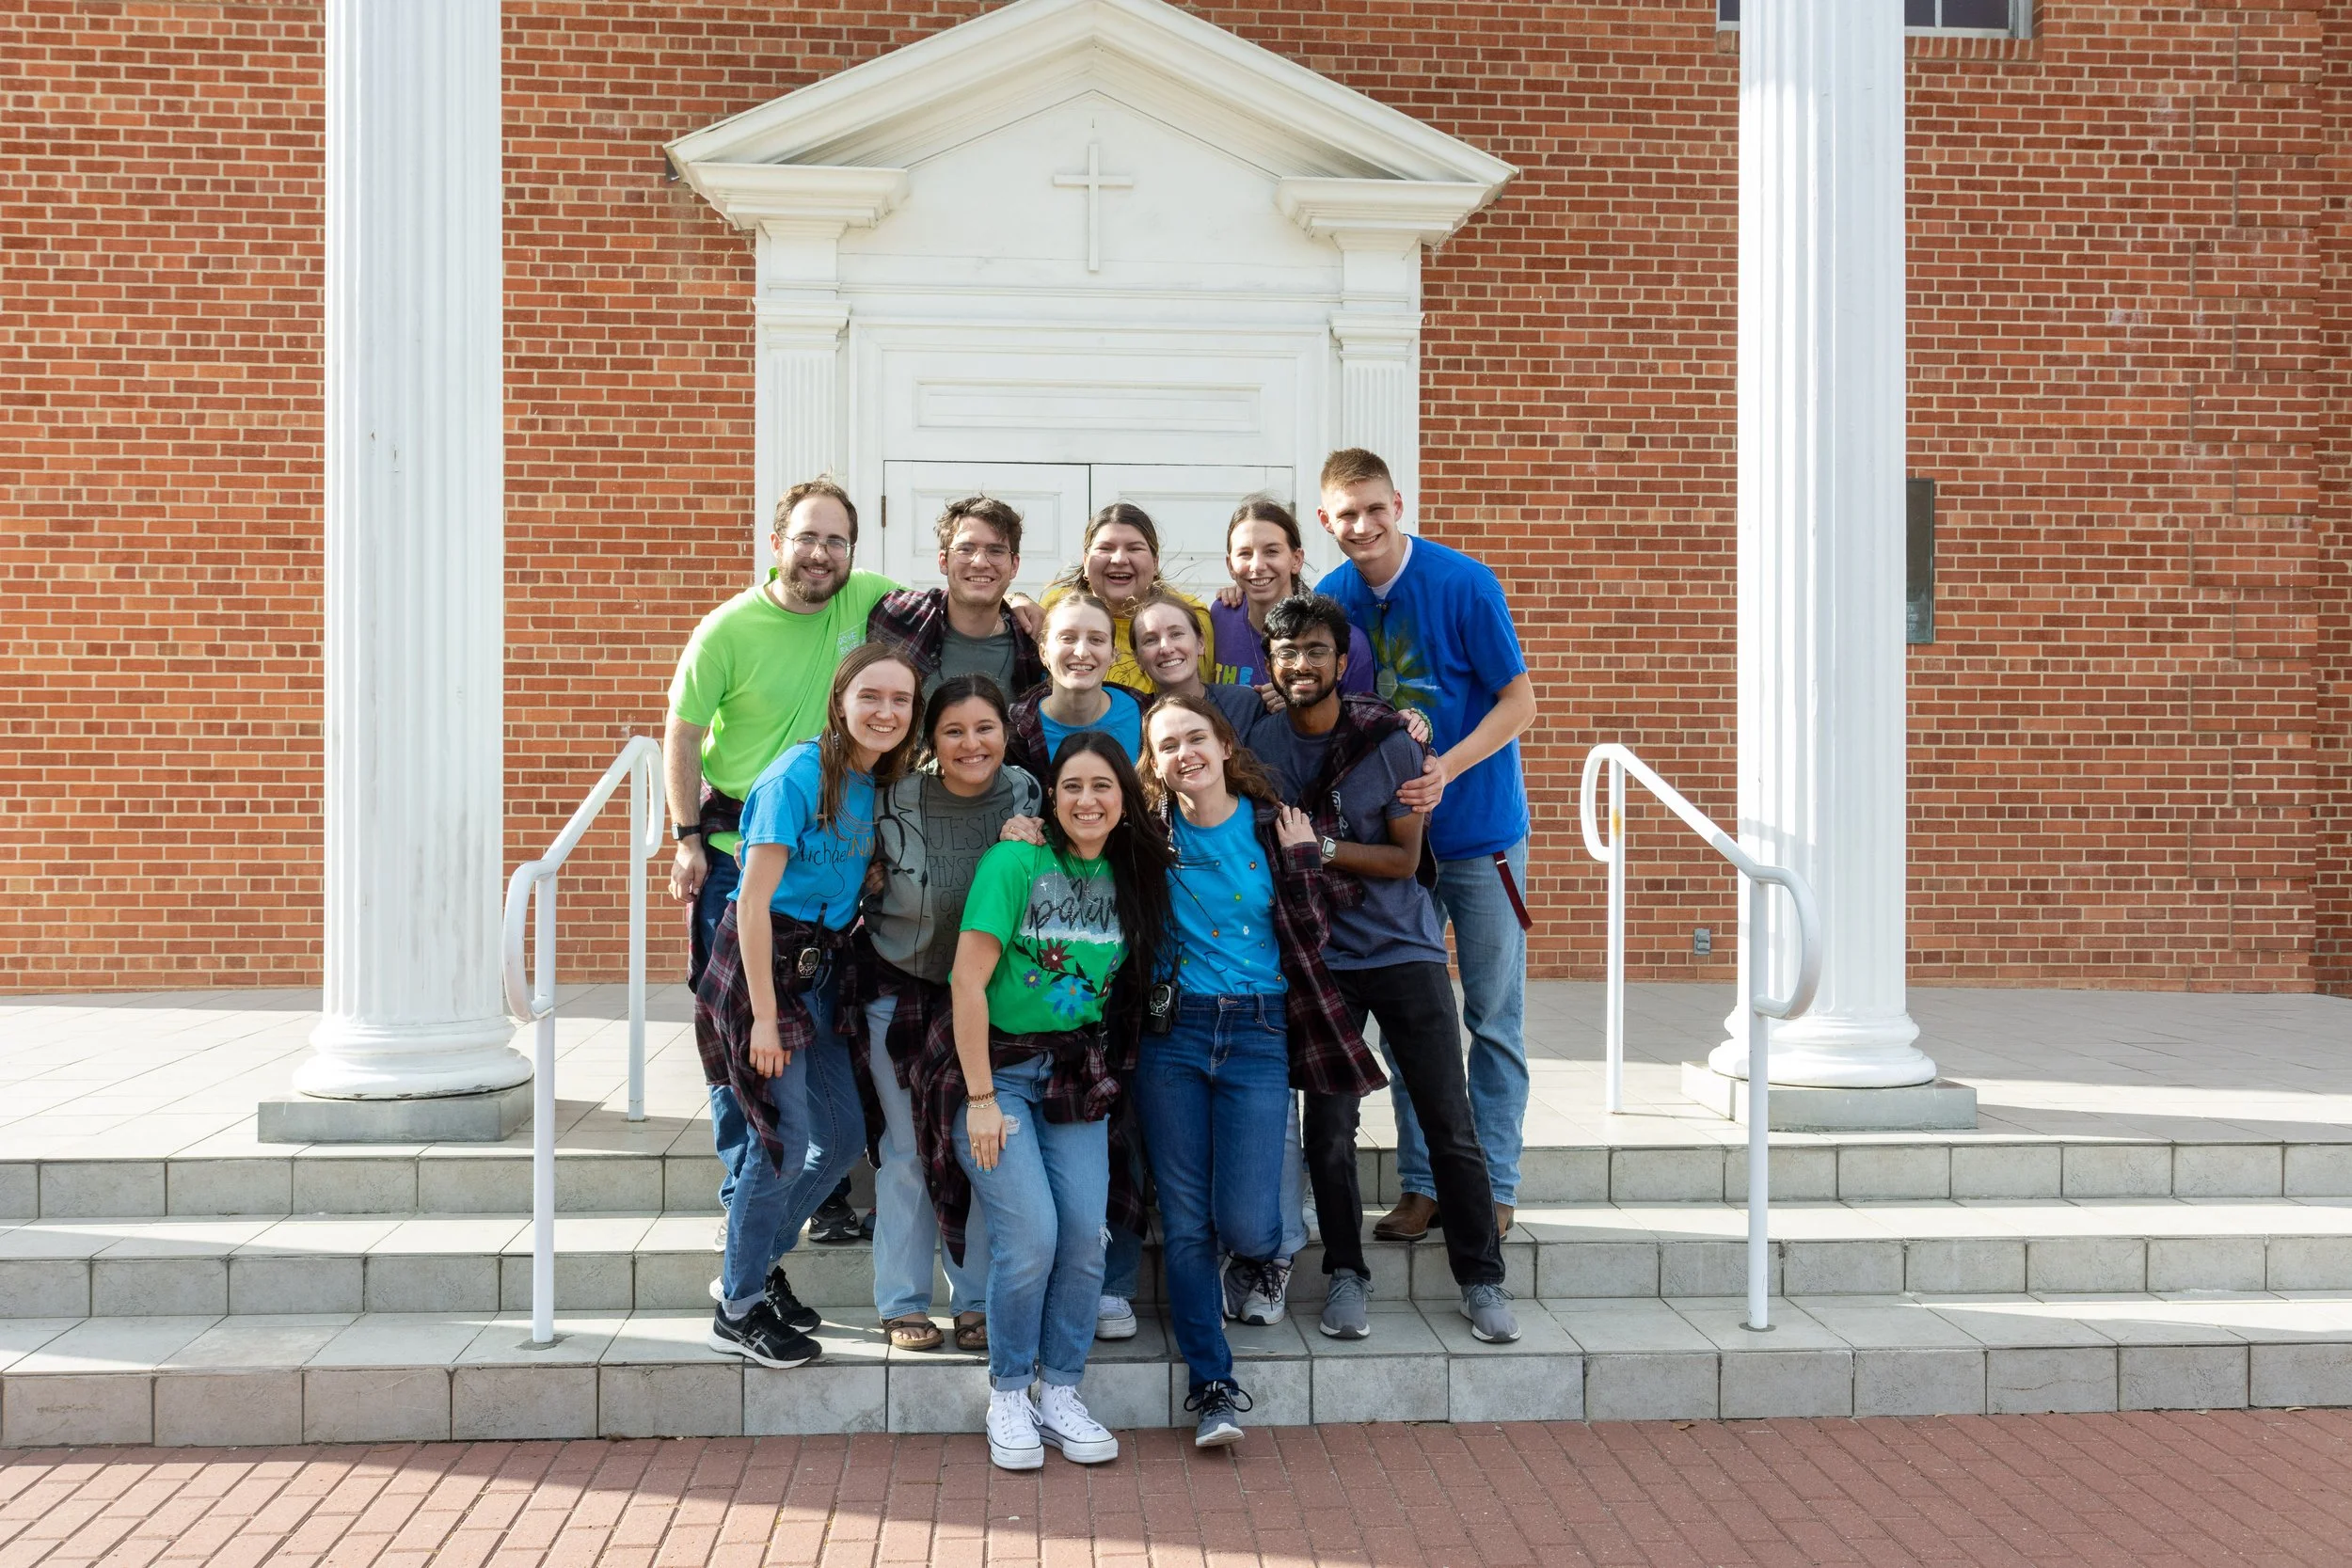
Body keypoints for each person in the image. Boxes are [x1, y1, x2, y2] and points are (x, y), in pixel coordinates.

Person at [1252, 594, 1518, 1343]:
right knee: (1330, 1129)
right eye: (1287, 652)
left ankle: (1482, 1277)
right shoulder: (1260, 742)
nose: (1301, 664)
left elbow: (1404, 859)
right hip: (1320, 955)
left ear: (1343, 661)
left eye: (1315, 650)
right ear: (1271, 663)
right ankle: (1346, 1272)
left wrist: (1319, 848)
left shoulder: (1387, 739)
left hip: (1404, 950)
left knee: (1448, 1120)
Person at [1135, 694, 1388, 1448]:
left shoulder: (1275, 825)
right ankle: (1213, 1384)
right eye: (1167, 744)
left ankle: (1251, 1259)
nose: (1184, 752)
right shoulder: (1148, 831)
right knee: (1187, 1224)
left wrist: (1307, 859)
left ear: (1223, 744)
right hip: (1174, 1034)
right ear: (1155, 762)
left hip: (1257, 1031)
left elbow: (1313, 931)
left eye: (1195, 737)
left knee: (1248, 1225)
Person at [1312, 448, 1538, 1240]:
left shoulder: (1465, 583)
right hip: (1391, 854)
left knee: (1492, 1017)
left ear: (1398, 504)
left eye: (1375, 508)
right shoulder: (1331, 598)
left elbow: (1520, 703)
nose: (1363, 525)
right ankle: (1422, 1184)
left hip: (1479, 839)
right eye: (1347, 514)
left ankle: (1495, 1183)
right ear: (1326, 520)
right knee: (1416, 1020)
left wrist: (1448, 766)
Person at [667, 476, 899, 1238]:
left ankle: (817, 1197)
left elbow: (956, 599)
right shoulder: (727, 629)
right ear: (776, 544)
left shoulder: (864, 597)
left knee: (816, 1035)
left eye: (836, 540)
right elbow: (682, 733)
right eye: (806, 537)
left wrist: (1026, 605)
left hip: (824, 862)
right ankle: (744, 1199)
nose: (821, 553)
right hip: (738, 854)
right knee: (742, 1035)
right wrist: (686, 837)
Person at [938, 733, 1172, 1471]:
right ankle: (1009, 1392)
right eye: (1072, 785)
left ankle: (1061, 1388)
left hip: (1076, 1076)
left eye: (1102, 786)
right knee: (1032, 1235)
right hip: (998, 1072)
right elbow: (967, 982)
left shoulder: (1132, 873)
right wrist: (980, 1097)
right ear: (1051, 796)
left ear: (1124, 798)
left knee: (1083, 1237)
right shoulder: (1015, 862)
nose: (1087, 800)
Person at [694, 643, 924, 1370]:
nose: (885, 710)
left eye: (900, 699)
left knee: (844, 1134)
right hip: (762, 965)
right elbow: (751, 902)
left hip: (823, 964)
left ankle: (753, 1267)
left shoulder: (876, 781)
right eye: (870, 695)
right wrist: (764, 1016)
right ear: (840, 700)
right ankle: (736, 1308)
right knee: (783, 1140)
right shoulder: (797, 775)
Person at [852, 674, 1042, 1354]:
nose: (971, 744)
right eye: (953, 731)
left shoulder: (1026, 794)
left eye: (985, 728)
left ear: (1006, 732)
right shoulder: (894, 799)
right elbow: (855, 873)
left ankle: (975, 1300)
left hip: (985, 1003)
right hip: (901, 993)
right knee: (906, 1150)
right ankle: (902, 1300)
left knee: (976, 1148)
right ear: (930, 740)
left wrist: (1037, 838)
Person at [866, 495, 1046, 702]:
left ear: (1014, 566)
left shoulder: (1034, 643)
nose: (980, 562)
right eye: (965, 549)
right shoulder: (898, 617)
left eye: (996, 551)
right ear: (943, 561)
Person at [1043, 501, 1215, 692]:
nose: (1119, 559)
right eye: (1105, 548)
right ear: (1085, 562)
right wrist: (1019, 599)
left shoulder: (1192, 616)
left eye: (1134, 549)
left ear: (1155, 563)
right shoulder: (1054, 610)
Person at [1210, 496, 1374, 692]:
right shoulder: (1221, 616)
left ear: (1296, 560)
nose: (1257, 566)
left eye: (1271, 551)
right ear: (1230, 566)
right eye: (1245, 553)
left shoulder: (1346, 642)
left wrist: (1299, 702)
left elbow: (1361, 711)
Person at [1006, 594, 1149, 776]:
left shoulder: (1146, 714)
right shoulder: (1017, 734)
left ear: (1113, 654)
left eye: (1096, 640)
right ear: (1043, 652)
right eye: (1067, 638)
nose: (1082, 652)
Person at [1131, 592, 1279, 735]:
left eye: (1176, 634)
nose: (1166, 649)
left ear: (1201, 644)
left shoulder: (1245, 705)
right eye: (1150, 640)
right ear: (1137, 658)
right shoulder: (1132, 720)